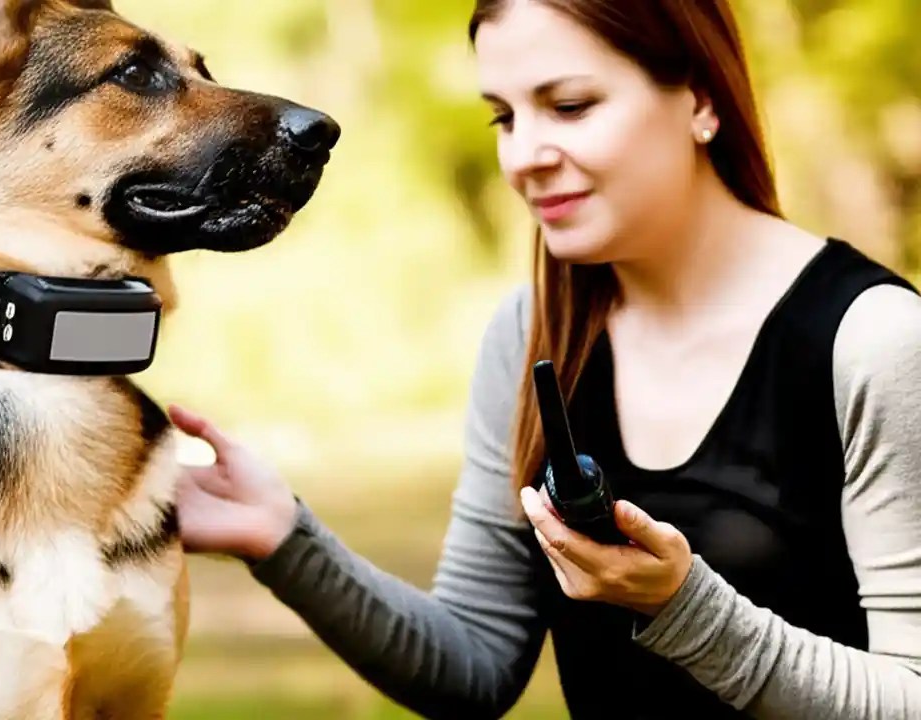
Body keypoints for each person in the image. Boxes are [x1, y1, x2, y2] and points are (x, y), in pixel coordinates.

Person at [168, 0, 921, 718]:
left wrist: (682, 608)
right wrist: (282, 535)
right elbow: (474, 663)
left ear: (699, 97)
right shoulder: (532, 335)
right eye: (504, 117)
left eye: (569, 106)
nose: (524, 157)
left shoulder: (873, 342)